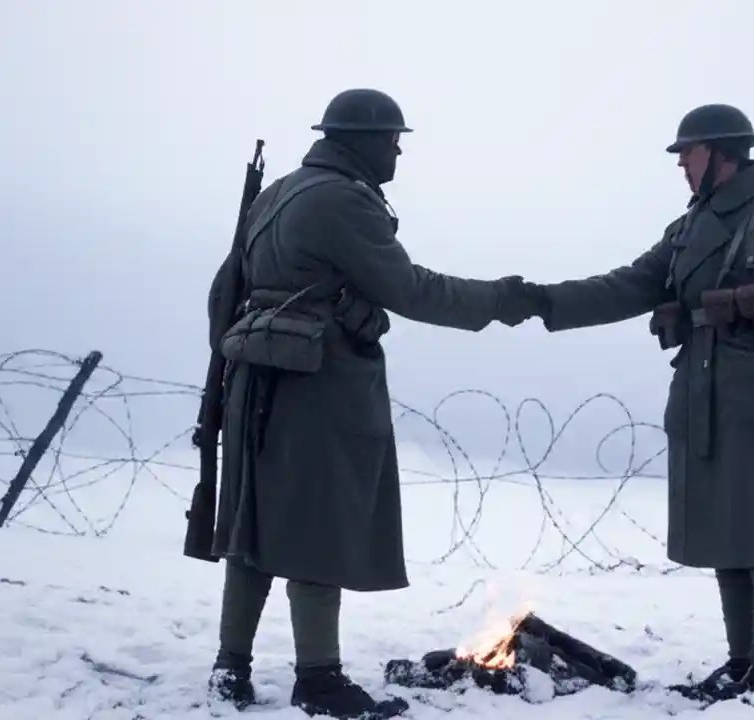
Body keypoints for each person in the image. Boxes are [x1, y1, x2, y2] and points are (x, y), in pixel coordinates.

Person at [204, 88, 538, 718]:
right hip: (314, 380)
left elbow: (226, 290)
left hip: (255, 374)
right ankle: (320, 679)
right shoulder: (341, 200)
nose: (398, 151)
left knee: (252, 526)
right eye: (392, 139)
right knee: (315, 524)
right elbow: (410, 289)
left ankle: (231, 669)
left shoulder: (280, 191)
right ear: (359, 140)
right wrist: (498, 299)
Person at [509, 104, 754, 711]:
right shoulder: (688, 229)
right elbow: (628, 285)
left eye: (687, 154)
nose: (682, 166)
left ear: (721, 154)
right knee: (727, 534)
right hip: (704, 400)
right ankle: (741, 663)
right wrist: (541, 300)